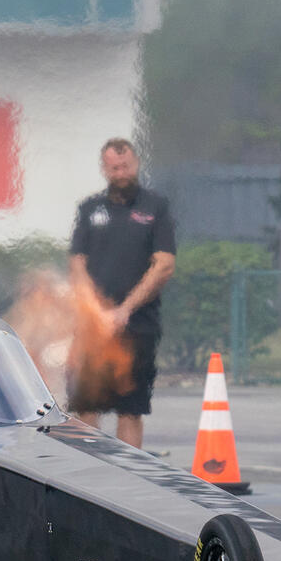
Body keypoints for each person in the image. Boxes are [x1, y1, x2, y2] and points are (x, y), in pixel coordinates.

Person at [67, 137, 175, 449]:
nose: (121, 173)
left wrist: (125, 309)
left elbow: (164, 264)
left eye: (125, 166)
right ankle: (87, 473)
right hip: (93, 327)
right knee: (86, 406)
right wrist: (96, 310)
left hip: (138, 324)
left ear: (136, 164)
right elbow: (76, 264)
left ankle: (127, 474)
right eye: (114, 168)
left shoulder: (156, 208)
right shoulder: (89, 209)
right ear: (104, 169)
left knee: (130, 408)